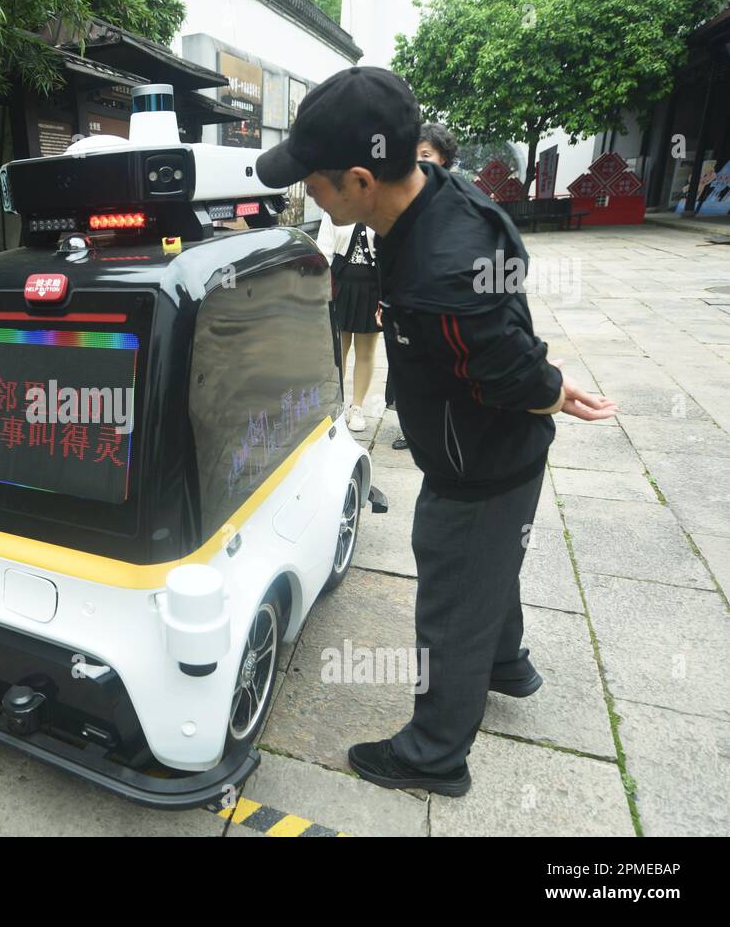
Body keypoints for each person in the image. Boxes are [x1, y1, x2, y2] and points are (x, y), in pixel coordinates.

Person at [258, 67, 617, 796]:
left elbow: (510, 369)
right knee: (491, 560)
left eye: (314, 183)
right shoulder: (424, 189)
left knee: (450, 597)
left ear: (360, 178)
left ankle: (433, 756)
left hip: (477, 462)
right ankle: (505, 665)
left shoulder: (445, 276)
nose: (307, 195)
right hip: (497, 453)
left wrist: (550, 389)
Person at [384, 122, 462, 452]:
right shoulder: (402, 198)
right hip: (404, 304)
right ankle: (411, 428)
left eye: (426, 155)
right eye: (413, 155)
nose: (418, 161)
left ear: (444, 158)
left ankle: (445, 429)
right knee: (407, 370)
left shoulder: (456, 198)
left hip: (440, 303)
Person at [316, 211, 379, 432]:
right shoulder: (335, 207)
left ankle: (357, 407)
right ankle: (336, 403)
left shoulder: (381, 205)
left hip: (372, 287)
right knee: (338, 350)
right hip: (340, 285)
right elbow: (324, 250)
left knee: (365, 351)